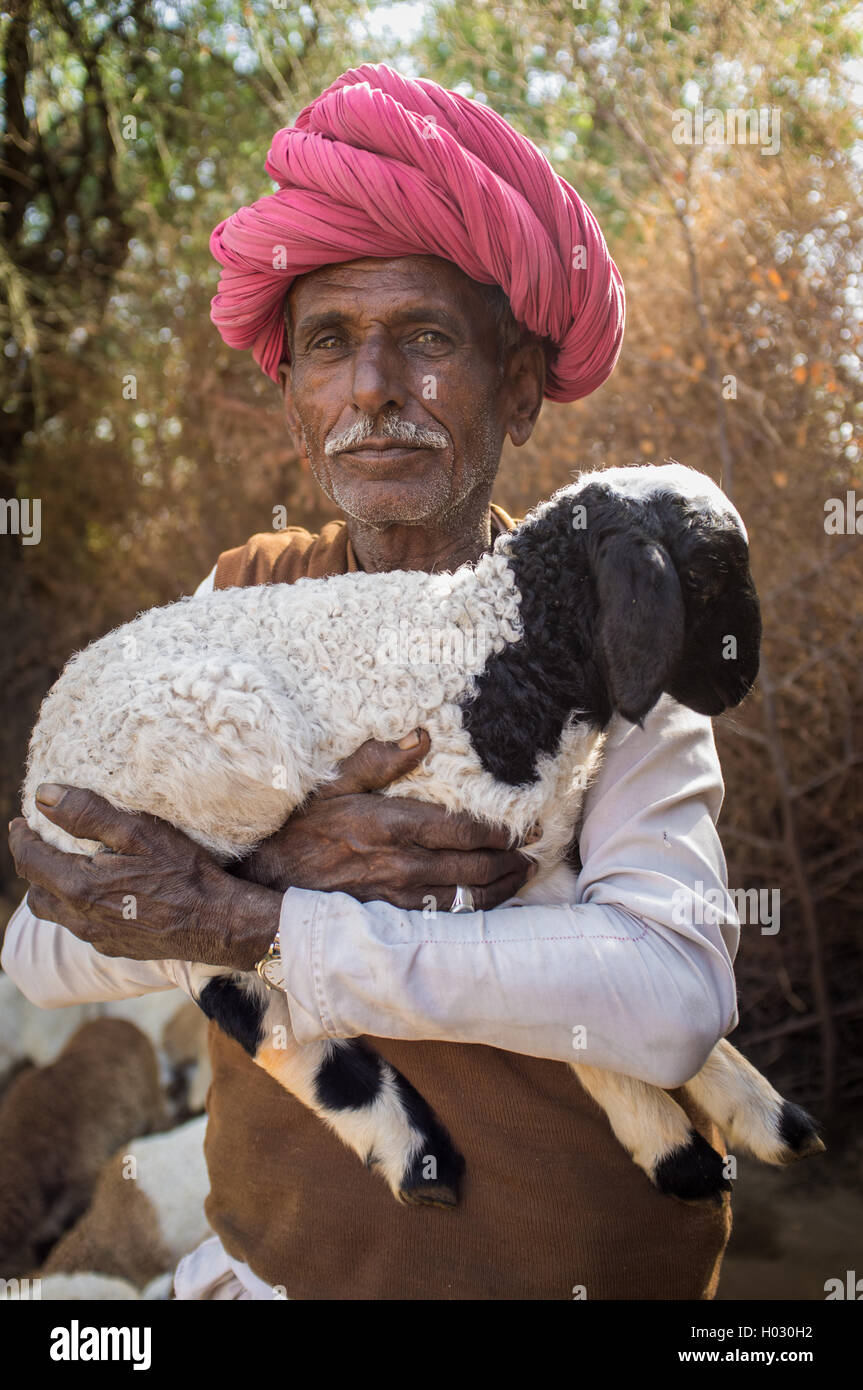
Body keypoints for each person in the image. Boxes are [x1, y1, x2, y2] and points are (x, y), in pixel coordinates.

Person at [4, 64, 738, 1300]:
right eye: (331, 345)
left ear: (515, 388)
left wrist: (264, 929)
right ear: (292, 398)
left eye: (427, 339)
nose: (374, 389)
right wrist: (272, 864)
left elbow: (668, 999)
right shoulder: (233, 608)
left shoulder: (612, 629)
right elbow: (43, 945)